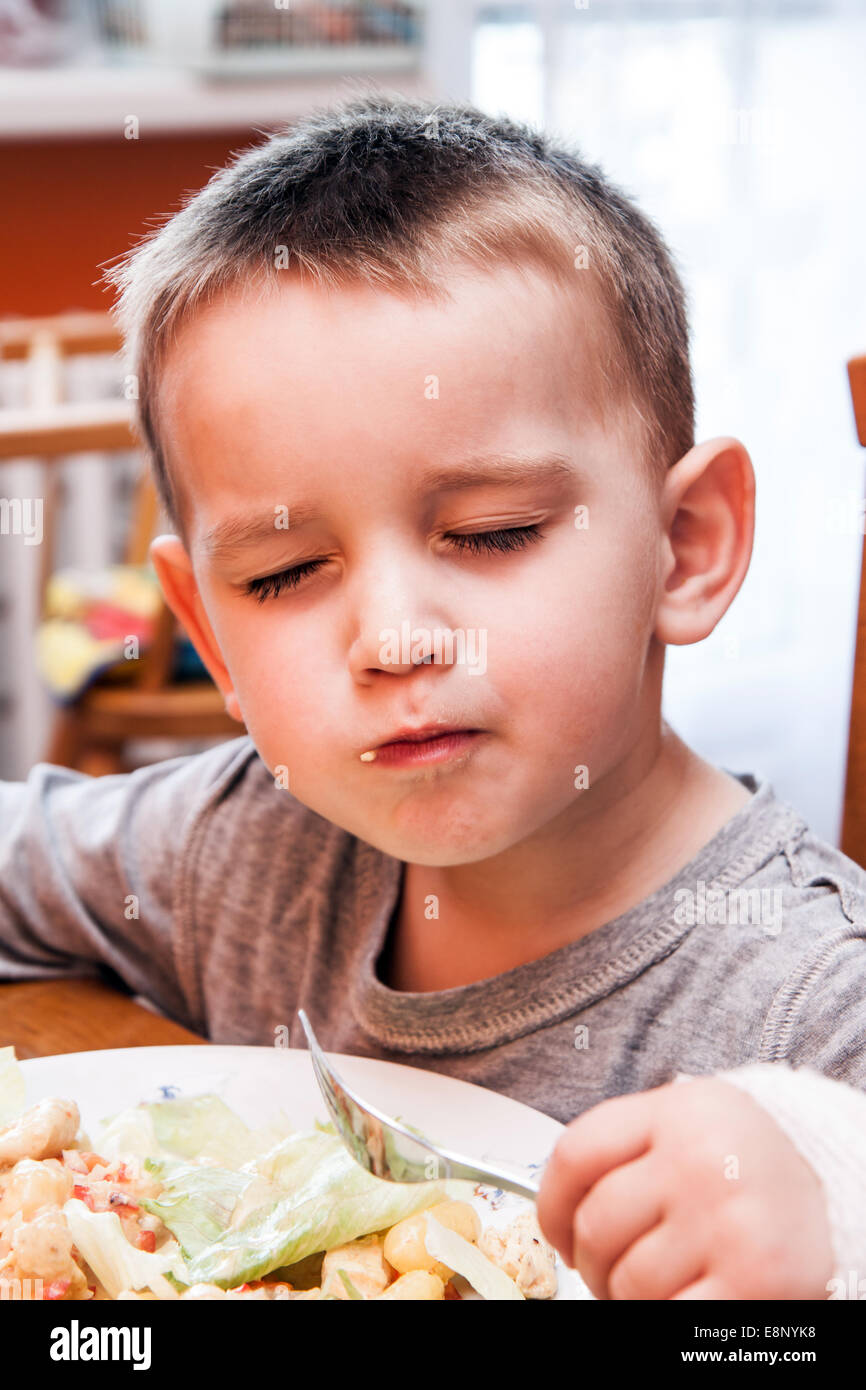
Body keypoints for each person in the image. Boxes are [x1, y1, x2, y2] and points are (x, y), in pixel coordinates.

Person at [2, 94, 865, 1300]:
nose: (394, 640)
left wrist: (828, 1208)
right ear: (208, 631)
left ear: (684, 545)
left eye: (491, 532)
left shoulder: (811, 995)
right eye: (285, 572)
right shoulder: (239, 845)